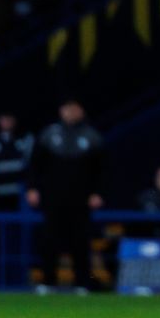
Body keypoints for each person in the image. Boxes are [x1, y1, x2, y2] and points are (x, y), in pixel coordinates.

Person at [26, 100, 106, 293]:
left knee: (80, 241)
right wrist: (32, 188)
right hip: (53, 198)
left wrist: (98, 192)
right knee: (49, 239)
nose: (70, 113)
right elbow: (35, 165)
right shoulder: (49, 135)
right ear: (60, 110)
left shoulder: (92, 137)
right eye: (66, 108)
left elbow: (102, 170)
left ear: (81, 110)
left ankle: (82, 283)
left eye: (74, 108)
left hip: (80, 200)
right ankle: (48, 282)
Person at [0, 111, 33, 211]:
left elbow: (31, 166)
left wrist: (30, 188)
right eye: (4, 118)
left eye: (10, 118)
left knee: (21, 222)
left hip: (20, 193)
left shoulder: (26, 138)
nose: (7, 121)